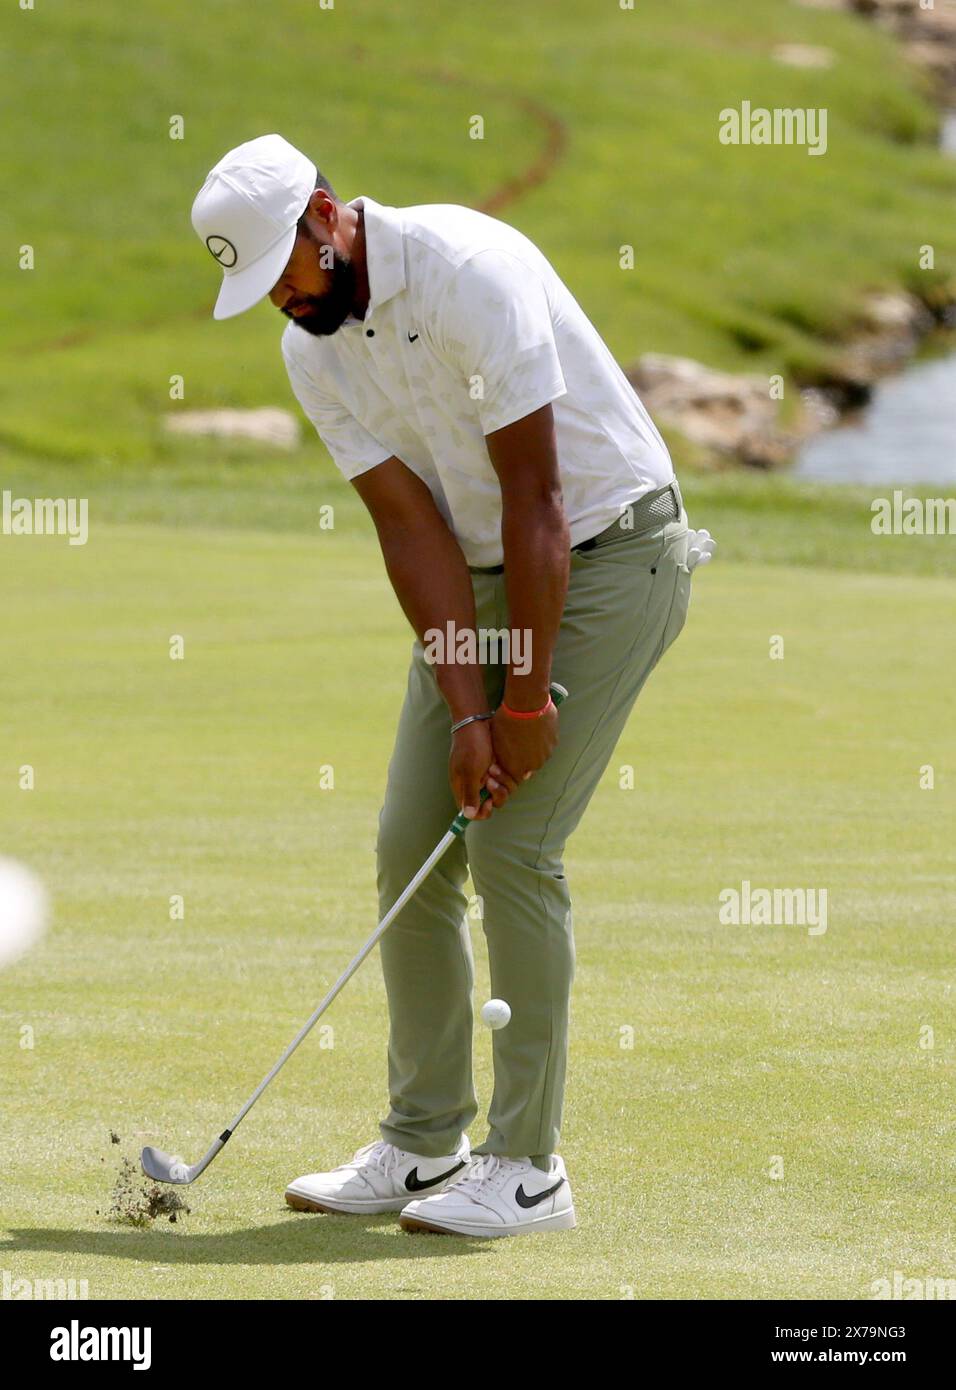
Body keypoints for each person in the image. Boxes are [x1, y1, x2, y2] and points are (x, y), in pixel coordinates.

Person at [191, 133, 711, 1239]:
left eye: (284, 269)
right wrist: (470, 707)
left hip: (611, 548)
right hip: (481, 572)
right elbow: (409, 526)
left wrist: (520, 705)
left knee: (511, 843)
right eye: (258, 288)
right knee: (406, 841)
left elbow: (537, 498)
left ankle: (528, 1169)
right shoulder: (311, 347)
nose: (280, 299)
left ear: (325, 215)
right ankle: (426, 1140)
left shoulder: (468, 268)